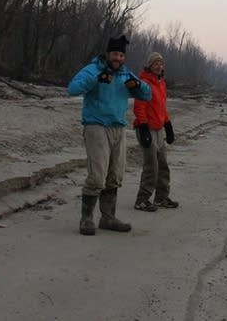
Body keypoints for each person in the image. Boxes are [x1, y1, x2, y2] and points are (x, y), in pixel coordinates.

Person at [67, 35, 152, 236]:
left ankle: (108, 218)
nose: (118, 58)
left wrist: (138, 86)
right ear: (107, 54)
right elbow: (72, 89)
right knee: (97, 176)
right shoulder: (93, 69)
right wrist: (96, 78)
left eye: (121, 55)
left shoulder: (125, 74)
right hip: (96, 125)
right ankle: (87, 219)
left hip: (118, 128)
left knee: (115, 175)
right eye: (115, 54)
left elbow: (147, 95)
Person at [133, 52, 179, 212]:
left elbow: (161, 108)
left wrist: (168, 125)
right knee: (151, 166)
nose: (159, 66)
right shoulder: (144, 83)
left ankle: (161, 197)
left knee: (163, 165)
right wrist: (144, 128)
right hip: (146, 128)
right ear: (150, 66)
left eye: (161, 63)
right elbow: (139, 107)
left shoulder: (161, 84)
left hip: (159, 129)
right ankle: (142, 200)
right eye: (155, 64)